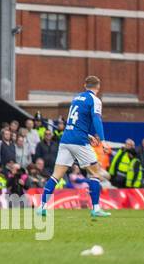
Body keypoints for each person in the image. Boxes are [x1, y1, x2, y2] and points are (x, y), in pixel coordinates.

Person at [39, 75, 110, 218]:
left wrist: (88, 135)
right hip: (79, 141)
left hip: (66, 139)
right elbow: (96, 119)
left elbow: (74, 120)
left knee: (56, 176)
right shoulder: (95, 100)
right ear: (98, 87)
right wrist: (102, 140)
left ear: (85, 85)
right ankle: (96, 208)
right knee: (95, 173)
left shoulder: (76, 98)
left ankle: (42, 207)